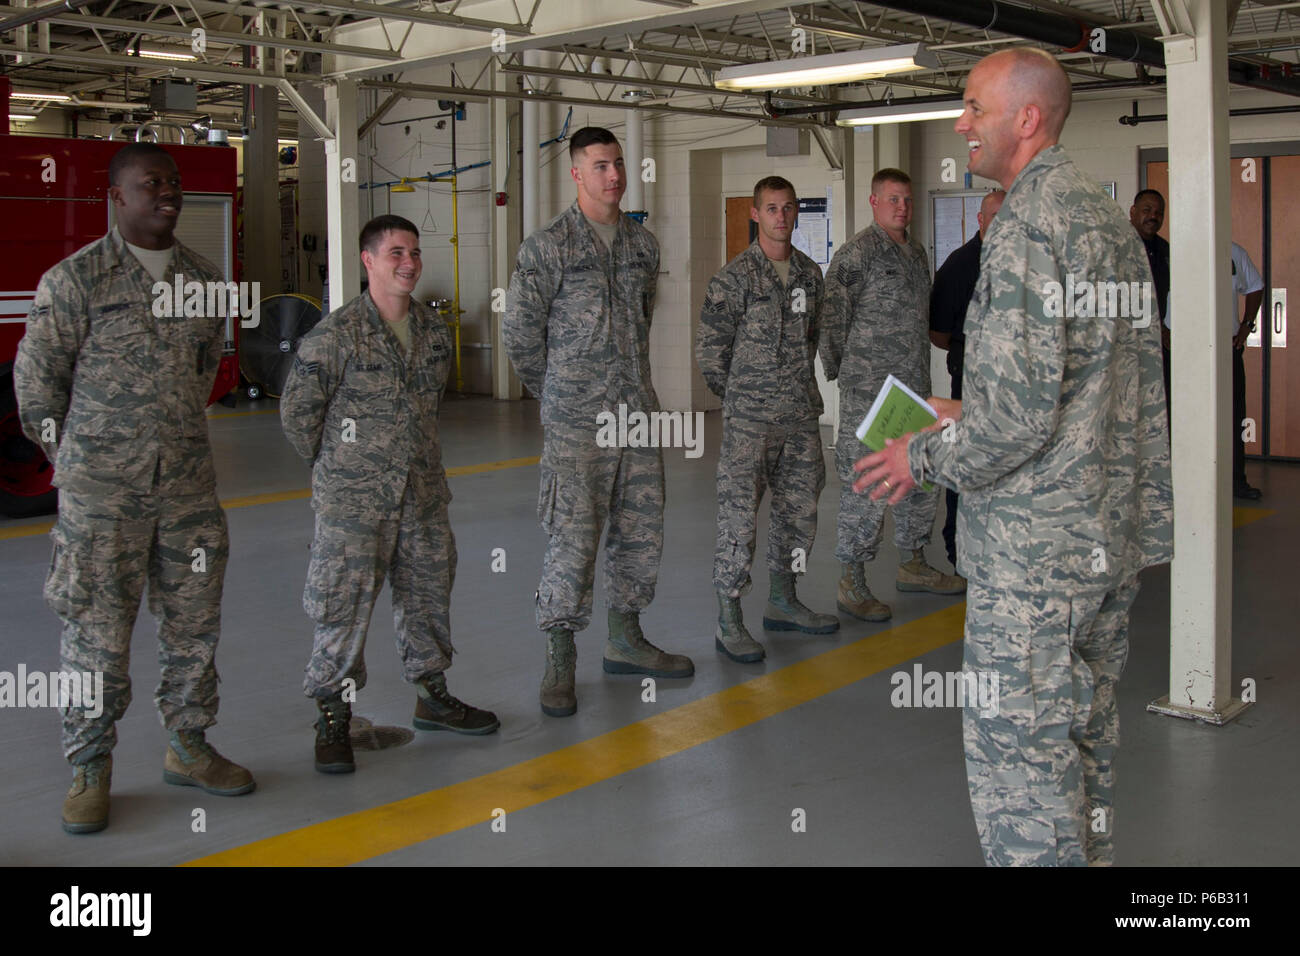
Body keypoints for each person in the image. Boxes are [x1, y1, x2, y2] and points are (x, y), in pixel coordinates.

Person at [854, 47, 1173, 866]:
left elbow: (1015, 425)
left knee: (1023, 776)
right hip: (1103, 541)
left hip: (1035, 560)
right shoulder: (1108, 220)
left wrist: (918, 459)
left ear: (1025, 118)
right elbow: (1096, 389)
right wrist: (959, 407)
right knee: (1084, 748)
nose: (961, 124)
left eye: (973, 108)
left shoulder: (1028, 225)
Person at [14, 142, 254, 834]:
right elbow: (37, 391)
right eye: (151, 184)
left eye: (173, 183)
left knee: (193, 627)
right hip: (101, 499)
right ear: (117, 197)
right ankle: (90, 765)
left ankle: (189, 744)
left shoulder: (205, 281)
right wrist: (84, 463)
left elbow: (207, 367)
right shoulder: (74, 281)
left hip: (186, 492)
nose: (167, 193)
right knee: (96, 632)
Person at [280, 214, 498, 774]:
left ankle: (432, 694)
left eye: (416, 253)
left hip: (422, 494)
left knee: (427, 595)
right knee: (342, 606)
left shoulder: (430, 333)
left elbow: (428, 410)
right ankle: (333, 714)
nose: (409, 263)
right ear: (368, 260)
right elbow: (299, 415)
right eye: (397, 252)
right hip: (354, 504)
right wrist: (342, 470)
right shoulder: (334, 336)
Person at [505, 127, 693, 718]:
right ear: (576, 174)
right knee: (573, 536)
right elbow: (520, 339)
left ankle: (625, 637)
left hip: (636, 414)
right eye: (601, 166)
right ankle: (560, 657)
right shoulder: (547, 248)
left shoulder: (643, 246)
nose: (614, 176)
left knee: (640, 528)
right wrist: (562, 395)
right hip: (576, 423)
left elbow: (640, 320)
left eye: (619, 165)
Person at [696, 176, 839, 663]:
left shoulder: (809, 274)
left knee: (798, 514)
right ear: (755, 214)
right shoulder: (733, 279)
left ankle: (784, 600)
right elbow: (711, 354)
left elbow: (813, 336)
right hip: (750, 423)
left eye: (789, 207)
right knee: (739, 520)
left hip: (800, 417)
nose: (782, 216)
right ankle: (729, 617)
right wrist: (744, 397)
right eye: (772, 208)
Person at [822, 167, 965, 625]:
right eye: (892, 200)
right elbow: (831, 322)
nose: (901, 207)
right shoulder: (856, 255)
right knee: (867, 483)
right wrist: (847, 375)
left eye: (906, 199)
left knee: (921, 475)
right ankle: (852, 580)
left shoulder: (916, 253)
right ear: (873, 201)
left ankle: (914, 562)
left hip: (912, 389)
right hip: (870, 390)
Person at [929, 188, 1005, 570]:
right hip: (971, 385)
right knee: (968, 464)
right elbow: (939, 332)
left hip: (1012, 389)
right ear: (980, 218)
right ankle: (959, 552)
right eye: (996, 216)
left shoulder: (1025, 259)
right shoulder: (960, 266)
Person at [1128, 189, 1170, 417]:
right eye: (1147, 210)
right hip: (1124, 344)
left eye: (1159, 212)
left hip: (1155, 346)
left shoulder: (1165, 251)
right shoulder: (1115, 243)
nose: (1153, 216)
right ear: (1133, 211)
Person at [1228, 241, 1264, 500]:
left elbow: (1256, 287)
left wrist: (1247, 325)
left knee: (1234, 415)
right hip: (1187, 349)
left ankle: (1236, 481)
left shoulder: (1234, 252)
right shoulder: (1175, 251)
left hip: (1226, 347)